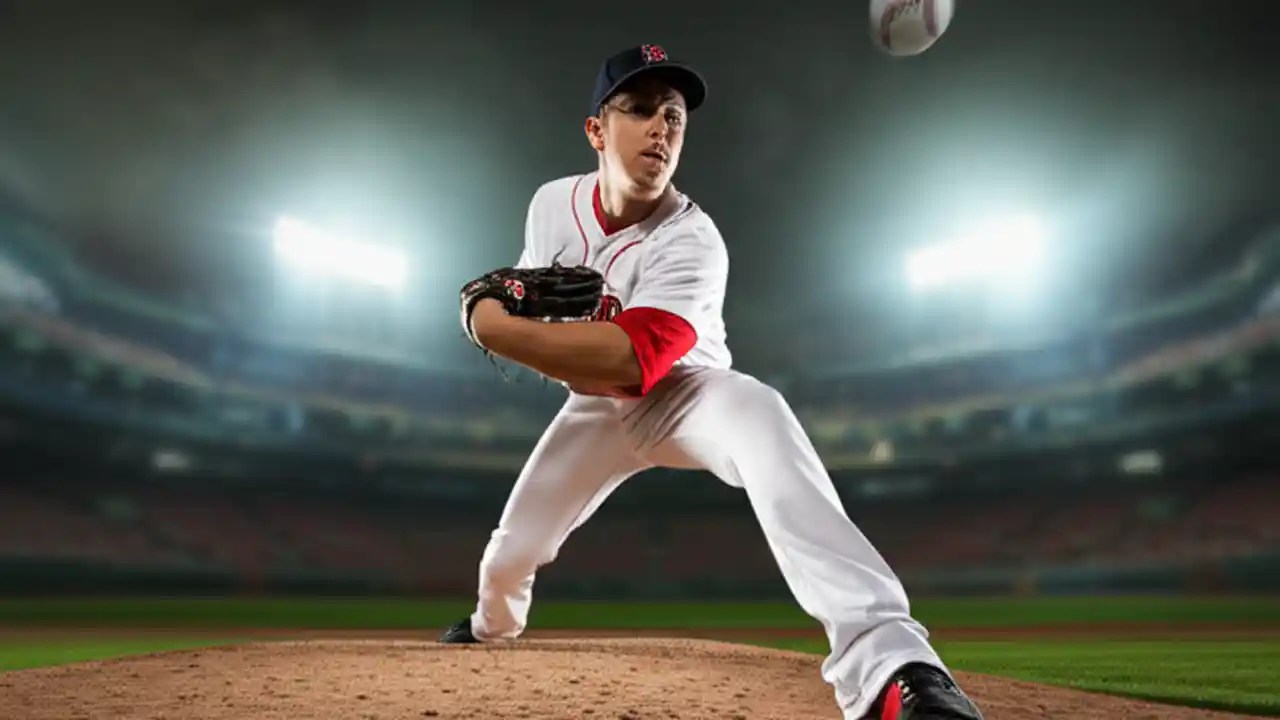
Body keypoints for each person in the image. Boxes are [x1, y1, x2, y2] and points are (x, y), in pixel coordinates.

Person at [441, 44, 984, 720]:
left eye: (672, 115)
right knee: (509, 554)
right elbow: (527, 290)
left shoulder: (693, 241)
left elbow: (630, 362)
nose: (660, 128)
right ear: (595, 131)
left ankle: (892, 663)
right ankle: (492, 626)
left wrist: (496, 329)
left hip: (686, 397)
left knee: (762, 414)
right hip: (594, 412)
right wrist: (508, 302)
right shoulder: (552, 204)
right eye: (638, 110)